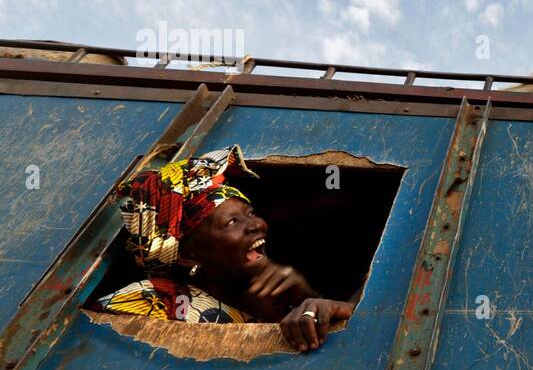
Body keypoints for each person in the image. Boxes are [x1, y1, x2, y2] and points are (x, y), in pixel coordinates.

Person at [93, 145, 353, 352]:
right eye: (232, 222)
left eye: (250, 213)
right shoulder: (153, 302)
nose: (256, 225)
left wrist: (309, 298)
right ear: (187, 256)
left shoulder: (270, 305)